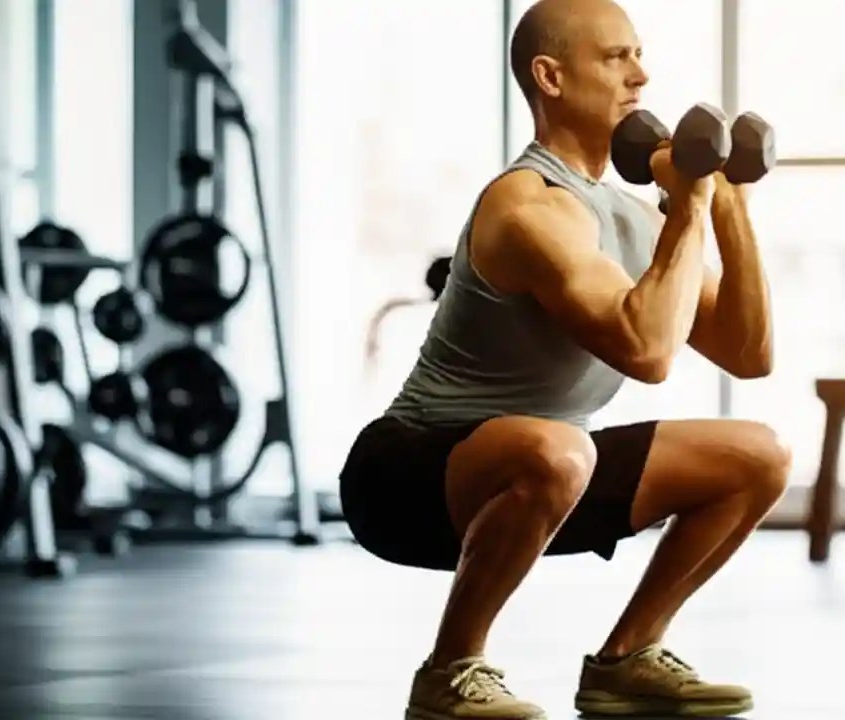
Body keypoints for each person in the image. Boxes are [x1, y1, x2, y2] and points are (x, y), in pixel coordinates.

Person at [338, 0, 790, 717]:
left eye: (639, 54)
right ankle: (450, 669)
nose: (641, 75)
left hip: (550, 468)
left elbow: (749, 353)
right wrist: (692, 207)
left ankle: (628, 659)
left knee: (758, 456)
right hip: (405, 479)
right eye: (616, 57)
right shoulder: (529, 207)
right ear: (550, 76)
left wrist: (727, 208)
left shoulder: (632, 216)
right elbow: (646, 351)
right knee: (558, 451)